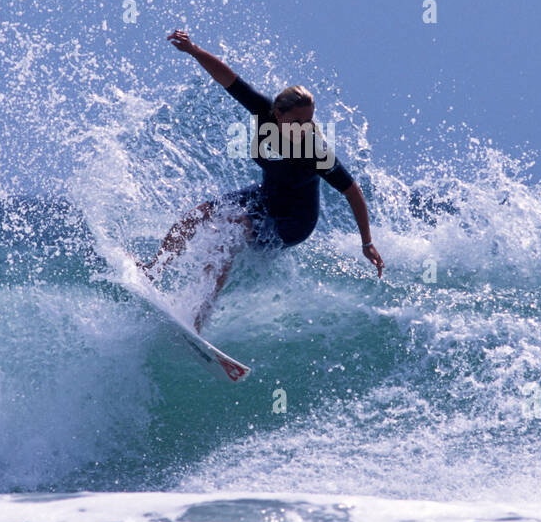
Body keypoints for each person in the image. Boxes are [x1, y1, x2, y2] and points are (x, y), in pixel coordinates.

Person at [140, 30, 384, 329]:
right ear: (279, 114)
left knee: (231, 228)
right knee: (197, 215)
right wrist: (193, 50)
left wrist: (367, 243)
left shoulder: (314, 150)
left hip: (293, 222)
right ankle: (153, 269)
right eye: (297, 121)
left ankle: (197, 318)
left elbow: (353, 192)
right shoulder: (264, 112)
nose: (304, 127)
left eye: (308, 121)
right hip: (264, 196)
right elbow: (227, 78)